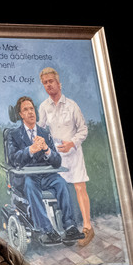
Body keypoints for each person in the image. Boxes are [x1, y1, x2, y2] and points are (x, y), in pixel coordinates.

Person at [5, 96, 82, 245]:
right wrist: (31, 150)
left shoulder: (45, 133)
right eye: (26, 110)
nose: (30, 112)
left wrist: (47, 150)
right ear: (20, 114)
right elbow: (14, 159)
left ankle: (70, 226)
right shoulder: (13, 135)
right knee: (30, 185)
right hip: (27, 177)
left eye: (32, 109)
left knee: (61, 183)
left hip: (46, 175)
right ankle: (47, 231)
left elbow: (57, 161)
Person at [37, 66, 94, 246]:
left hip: (74, 153)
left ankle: (87, 227)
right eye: (45, 83)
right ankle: (67, 228)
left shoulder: (72, 105)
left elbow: (83, 129)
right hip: (55, 155)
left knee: (79, 188)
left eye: (51, 81)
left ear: (59, 83)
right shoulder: (44, 107)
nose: (48, 85)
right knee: (58, 189)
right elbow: (40, 128)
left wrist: (72, 142)